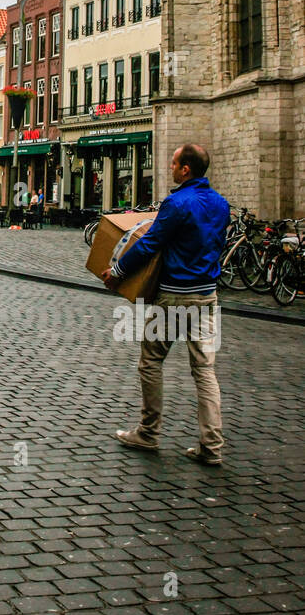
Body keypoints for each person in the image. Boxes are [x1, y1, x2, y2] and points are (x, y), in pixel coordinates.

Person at [103, 142, 230, 467]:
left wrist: (117, 270)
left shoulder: (177, 203)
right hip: (207, 294)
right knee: (204, 369)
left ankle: (148, 432)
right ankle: (211, 445)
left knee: (151, 361)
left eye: (173, 164)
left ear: (185, 169)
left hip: (175, 294)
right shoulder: (220, 204)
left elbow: (149, 244)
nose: (170, 168)